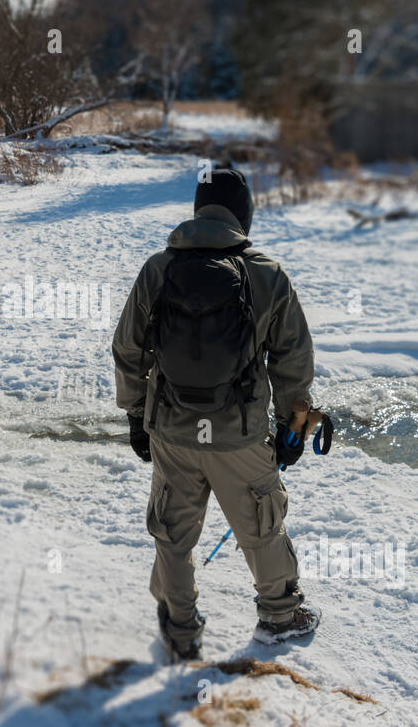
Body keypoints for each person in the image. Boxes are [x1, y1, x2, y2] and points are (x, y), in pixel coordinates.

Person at [111, 166, 318, 662]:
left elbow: (127, 350)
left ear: (198, 210)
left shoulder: (157, 269)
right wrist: (295, 428)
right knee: (262, 525)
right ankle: (280, 615)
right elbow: (292, 363)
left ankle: (180, 631)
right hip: (239, 436)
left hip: (172, 432)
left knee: (172, 533)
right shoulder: (268, 274)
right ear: (243, 213)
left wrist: (136, 415)